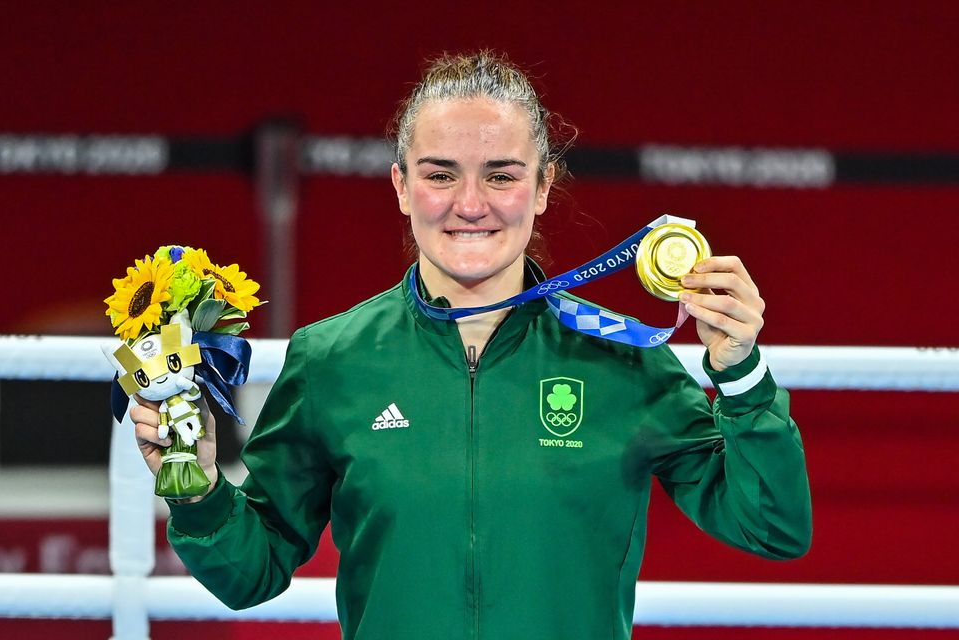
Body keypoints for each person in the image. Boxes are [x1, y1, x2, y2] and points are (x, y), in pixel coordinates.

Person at [131, 51, 811, 640]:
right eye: (440, 173)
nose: (470, 203)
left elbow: (772, 528)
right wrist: (195, 490)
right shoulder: (330, 361)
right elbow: (252, 572)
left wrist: (741, 374)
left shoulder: (622, 359)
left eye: (502, 174)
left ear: (544, 187)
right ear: (400, 186)